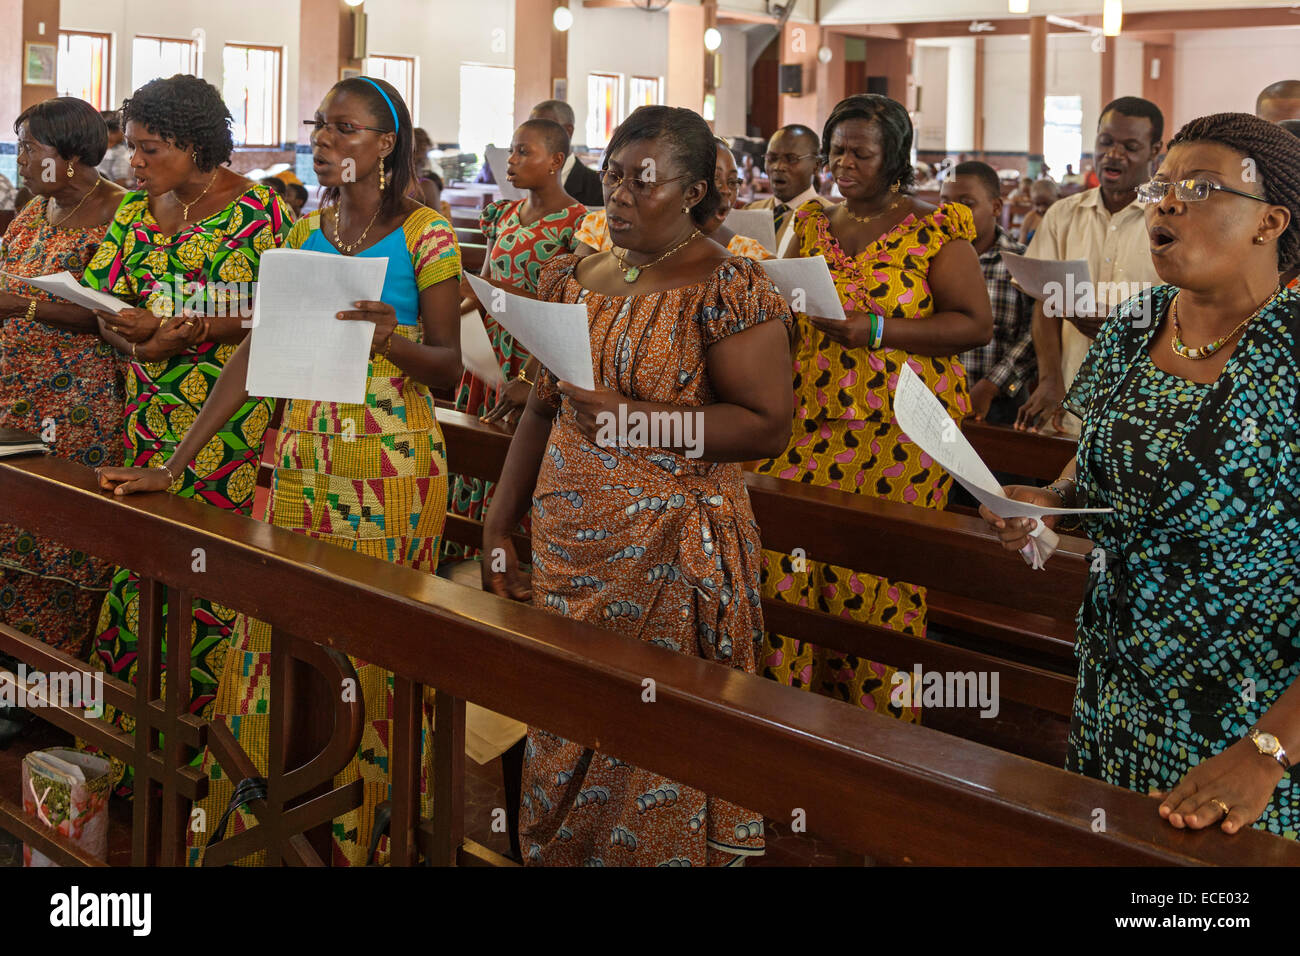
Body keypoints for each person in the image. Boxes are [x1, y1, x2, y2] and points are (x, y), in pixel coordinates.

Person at [98, 76, 464, 866]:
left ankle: (361, 836)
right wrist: (175, 463)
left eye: (346, 128)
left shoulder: (427, 234)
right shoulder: (305, 231)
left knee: (366, 650)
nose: (327, 141)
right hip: (297, 455)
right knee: (274, 637)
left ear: (386, 143)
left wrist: (389, 340)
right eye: (320, 128)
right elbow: (257, 349)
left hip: (391, 463)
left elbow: (447, 369)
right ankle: (276, 834)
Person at [481, 104, 794, 866]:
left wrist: (635, 418)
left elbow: (764, 425)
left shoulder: (730, 284)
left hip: (667, 556)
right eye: (613, 176)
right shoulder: (574, 275)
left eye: (642, 182)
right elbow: (542, 407)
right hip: (568, 547)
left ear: (693, 191)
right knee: (566, 723)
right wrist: (497, 526)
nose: (618, 196)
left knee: (653, 747)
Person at [982, 112, 1300, 840]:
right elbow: (1090, 466)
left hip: (1250, 717)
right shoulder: (1135, 325)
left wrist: (1266, 755)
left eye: (1201, 188)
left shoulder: (1294, 351)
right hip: (1116, 680)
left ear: (1270, 222)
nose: (1167, 202)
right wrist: (1049, 503)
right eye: (1165, 185)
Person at [79, 74, 293, 796]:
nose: (133, 164)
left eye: (150, 149)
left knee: (203, 580)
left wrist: (194, 329)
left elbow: (276, 316)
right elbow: (110, 296)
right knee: (140, 572)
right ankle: (130, 751)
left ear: (195, 143)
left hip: (226, 427)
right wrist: (122, 324)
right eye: (131, 149)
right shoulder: (139, 212)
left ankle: (204, 762)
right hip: (143, 414)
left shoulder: (258, 211)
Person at [756, 94, 993, 719]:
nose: (844, 164)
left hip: (903, 426)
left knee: (873, 576)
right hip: (813, 412)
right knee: (786, 557)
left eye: (861, 152)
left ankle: (875, 728)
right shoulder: (810, 223)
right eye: (837, 151)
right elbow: (785, 305)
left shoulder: (937, 225)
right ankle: (792, 713)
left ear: (895, 156)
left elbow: (975, 324)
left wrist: (880, 330)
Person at [0, 99, 128, 746]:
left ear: (71, 156)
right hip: (13, 392)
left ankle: (48, 696)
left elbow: (112, 314)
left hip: (74, 400)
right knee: (10, 531)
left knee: (59, 540)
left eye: (29, 149)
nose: (20, 160)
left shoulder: (117, 211)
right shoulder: (36, 207)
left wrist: (20, 303)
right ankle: (9, 680)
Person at [445, 118, 586, 559]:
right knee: (477, 450)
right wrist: (454, 316)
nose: (511, 160)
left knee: (519, 457)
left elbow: (565, 308)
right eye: (511, 150)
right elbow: (483, 283)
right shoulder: (502, 215)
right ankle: (469, 547)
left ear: (556, 161)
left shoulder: (579, 223)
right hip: (488, 351)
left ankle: (515, 554)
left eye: (524, 151)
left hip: (531, 358)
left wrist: (494, 294)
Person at [1016, 96, 1164, 436]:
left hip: (1142, 403)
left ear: (1154, 150)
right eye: (1106, 142)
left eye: (1130, 146)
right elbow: (1045, 302)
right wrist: (1050, 380)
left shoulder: (1168, 219)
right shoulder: (1063, 215)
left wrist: (1124, 324)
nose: (1114, 154)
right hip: (1067, 397)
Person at [940, 161, 1035, 425]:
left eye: (967, 203)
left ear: (995, 207)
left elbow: (1034, 335)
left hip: (1001, 401)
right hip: (937, 396)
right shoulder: (929, 258)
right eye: (944, 203)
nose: (952, 213)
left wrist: (990, 386)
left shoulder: (1020, 261)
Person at [574, 138, 771, 260]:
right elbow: (574, 292)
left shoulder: (746, 254)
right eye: (716, 180)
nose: (726, 190)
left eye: (733, 181)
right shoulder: (606, 225)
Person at [745, 124, 834, 257]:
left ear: (816, 165)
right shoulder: (749, 212)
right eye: (772, 158)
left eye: (791, 159)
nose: (778, 167)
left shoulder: (831, 219)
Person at [529, 99, 604, 207]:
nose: (534, 137)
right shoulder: (526, 178)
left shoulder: (597, 187)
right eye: (531, 128)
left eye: (544, 128)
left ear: (568, 131)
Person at [96, 109, 133, 187]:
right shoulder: (120, 152)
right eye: (123, 129)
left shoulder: (121, 150)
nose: (124, 133)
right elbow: (121, 182)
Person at [1017, 178, 1060, 244]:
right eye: (1037, 204)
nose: (1041, 209)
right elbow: (1021, 245)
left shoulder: (1061, 218)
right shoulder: (1030, 218)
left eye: (1046, 204)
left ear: (1057, 198)